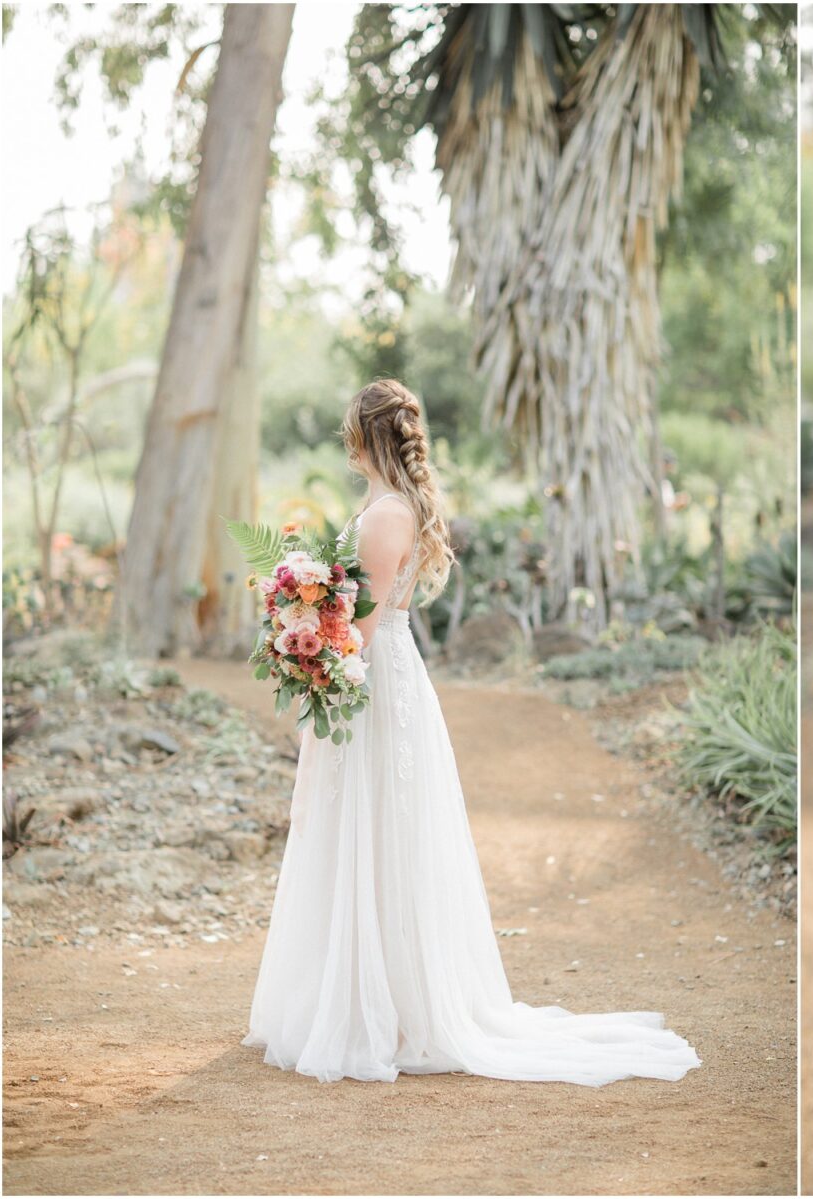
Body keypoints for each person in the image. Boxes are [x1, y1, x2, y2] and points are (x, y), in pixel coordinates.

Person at [241, 379, 701, 1086]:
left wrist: (303, 632)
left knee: (380, 830)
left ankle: (387, 1012)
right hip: (385, 676)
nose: (345, 443)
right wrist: (304, 623)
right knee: (372, 830)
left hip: (376, 681)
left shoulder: (382, 516)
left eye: (347, 432)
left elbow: (357, 631)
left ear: (364, 436)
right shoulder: (398, 506)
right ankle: (374, 999)